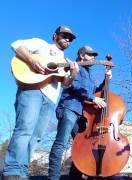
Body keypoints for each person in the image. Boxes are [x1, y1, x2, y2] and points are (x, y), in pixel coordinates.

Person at [2, 25, 79, 180]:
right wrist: (32, 61)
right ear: (55, 36)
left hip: (50, 99)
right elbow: (16, 45)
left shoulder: (67, 62)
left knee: (36, 136)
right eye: (64, 36)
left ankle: (22, 173)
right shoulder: (41, 44)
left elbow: (65, 84)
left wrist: (73, 74)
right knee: (25, 128)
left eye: (70, 39)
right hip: (32, 90)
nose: (67, 40)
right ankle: (11, 170)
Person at [48, 46, 109, 180]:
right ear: (82, 56)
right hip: (69, 108)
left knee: (81, 146)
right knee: (61, 143)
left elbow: (95, 92)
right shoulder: (76, 67)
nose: (93, 57)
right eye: (90, 55)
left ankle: (74, 177)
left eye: (94, 55)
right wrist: (93, 98)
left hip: (81, 113)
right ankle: (53, 177)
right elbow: (74, 86)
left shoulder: (90, 75)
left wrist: (106, 79)